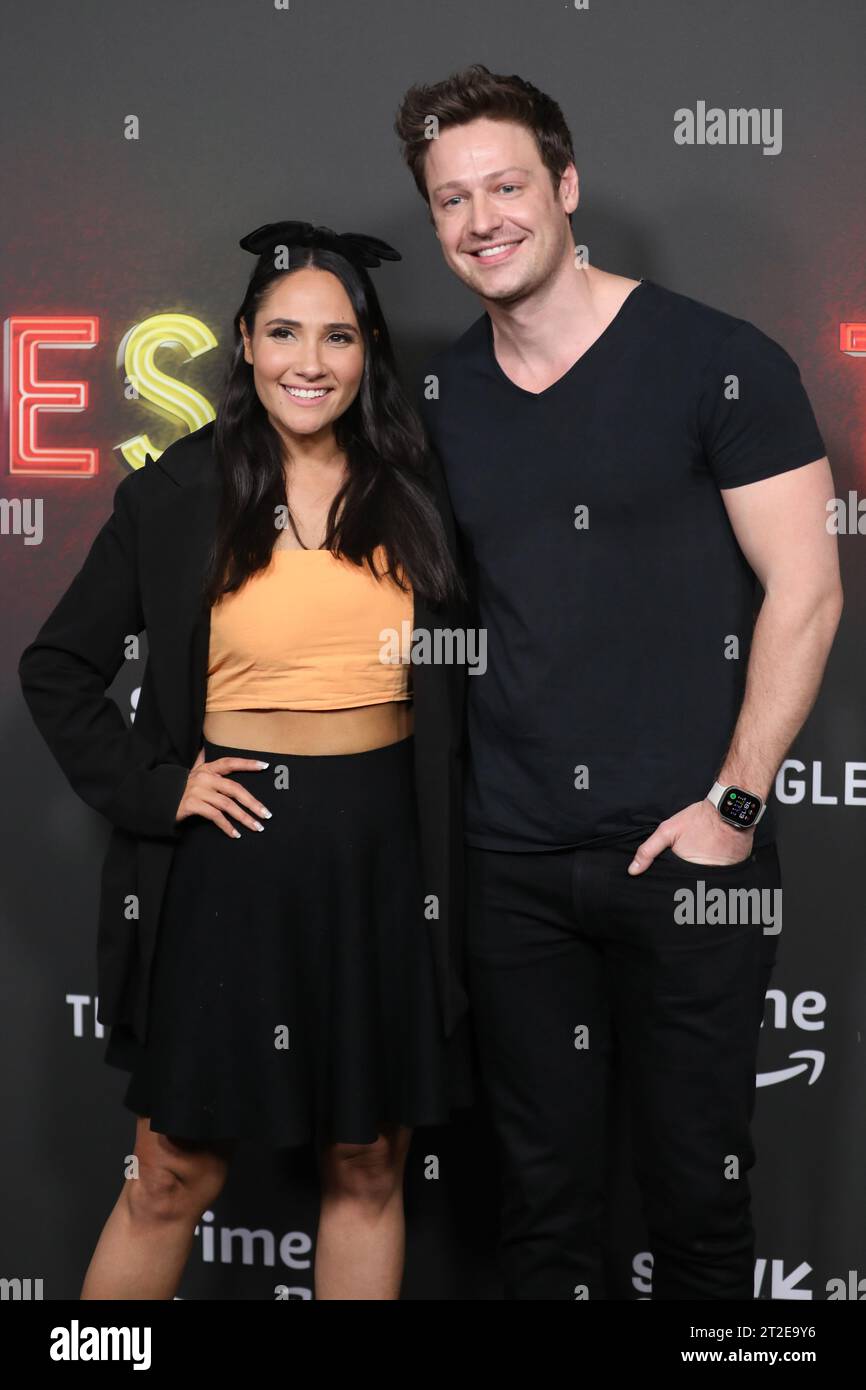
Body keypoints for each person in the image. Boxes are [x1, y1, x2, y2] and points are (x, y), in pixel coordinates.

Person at [394, 65, 843, 1299]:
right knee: (541, 1216)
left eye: (505, 186)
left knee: (700, 1202)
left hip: (693, 855)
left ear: (565, 187)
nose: (481, 219)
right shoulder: (435, 405)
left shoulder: (717, 361)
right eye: (450, 199)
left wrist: (734, 810)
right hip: (512, 869)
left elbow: (806, 594)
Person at [18, 220, 474, 1300]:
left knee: (366, 1162)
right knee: (171, 1169)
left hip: (381, 856)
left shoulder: (419, 488)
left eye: (337, 336)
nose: (308, 362)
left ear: (368, 352)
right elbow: (58, 668)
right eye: (283, 333)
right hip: (231, 859)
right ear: (243, 341)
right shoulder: (175, 495)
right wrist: (159, 783)